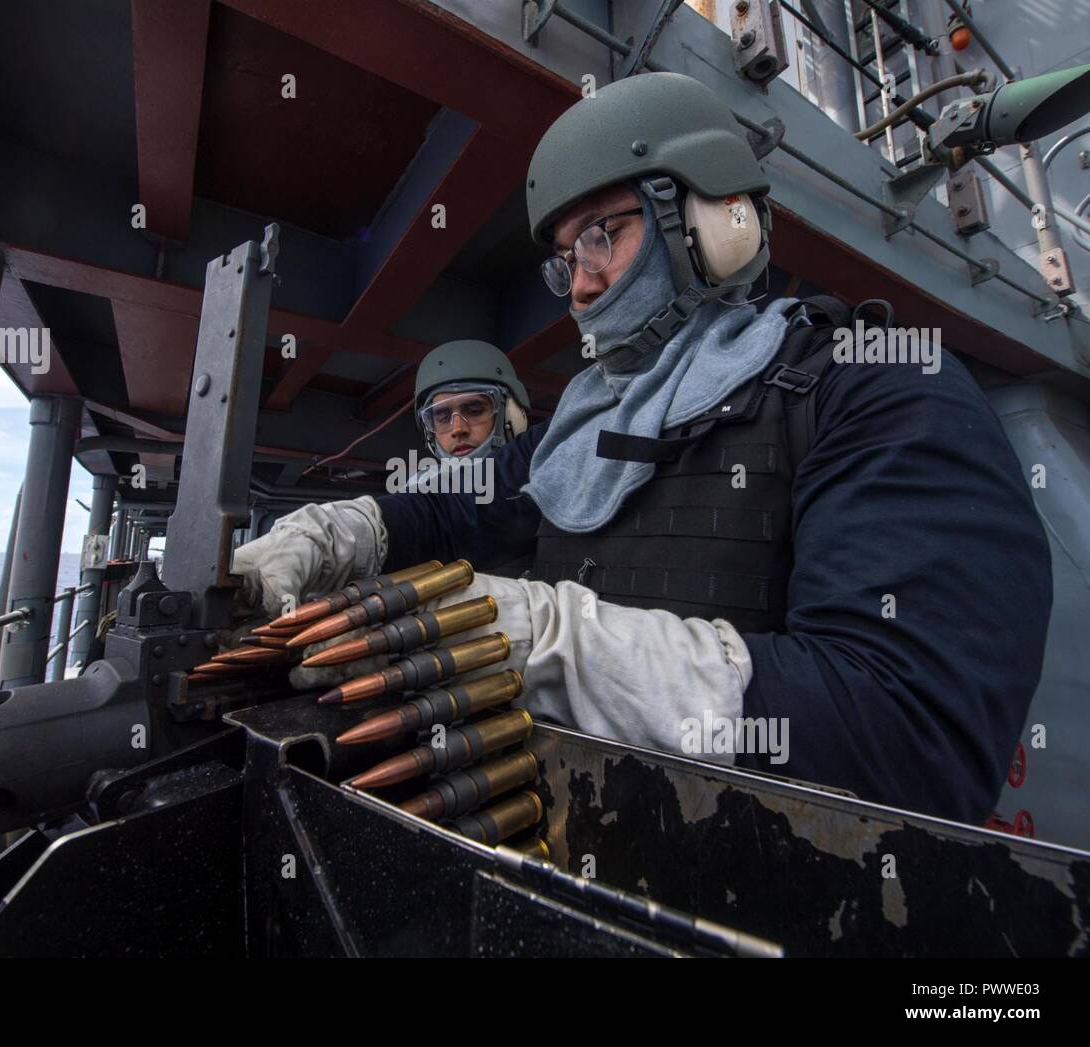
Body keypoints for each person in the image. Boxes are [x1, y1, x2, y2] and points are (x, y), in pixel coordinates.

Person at [232, 72, 1051, 825]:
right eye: (564, 258)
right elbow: (452, 509)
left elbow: (912, 737)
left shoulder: (873, 391)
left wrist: (558, 646)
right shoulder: (580, 430)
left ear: (710, 222)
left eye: (601, 236)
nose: (580, 285)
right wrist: (331, 533)